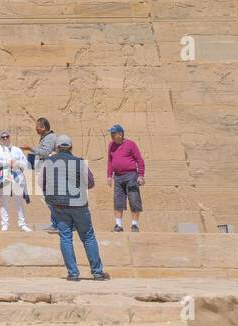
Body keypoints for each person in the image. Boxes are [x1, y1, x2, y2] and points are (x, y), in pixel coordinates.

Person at [41, 134, 109, 281]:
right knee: (88, 237)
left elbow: (42, 183)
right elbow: (90, 183)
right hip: (78, 204)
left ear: (57, 147)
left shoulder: (48, 162)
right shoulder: (80, 162)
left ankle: (73, 273)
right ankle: (97, 272)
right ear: (71, 147)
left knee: (65, 238)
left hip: (58, 204)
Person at [106, 125, 146, 233]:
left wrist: (141, 175)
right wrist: (109, 176)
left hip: (131, 175)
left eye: (113, 133)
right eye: (111, 133)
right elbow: (110, 161)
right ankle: (118, 225)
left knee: (134, 199)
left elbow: (140, 160)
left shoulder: (130, 144)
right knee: (118, 200)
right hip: (118, 177)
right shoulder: (111, 145)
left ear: (120, 134)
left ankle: (135, 225)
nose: (111, 136)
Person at [0, 130, 32, 232]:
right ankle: (4, 224)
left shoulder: (17, 150)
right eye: (3, 137)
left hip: (16, 176)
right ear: (0, 139)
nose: (5, 139)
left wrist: (16, 164)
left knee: (19, 201)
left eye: (7, 137)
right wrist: (7, 163)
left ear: (9, 137)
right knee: (4, 201)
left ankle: (22, 224)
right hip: (4, 176)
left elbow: (24, 162)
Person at [22, 116, 59, 228]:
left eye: (37, 127)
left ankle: (57, 223)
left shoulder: (50, 137)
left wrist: (31, 149)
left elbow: (45, 153)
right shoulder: (46, 137)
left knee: (50, 197)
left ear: (43, 127)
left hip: (49, 170)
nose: (36, 129)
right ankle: (56, 222)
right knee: (48, 197)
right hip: (44, 170)